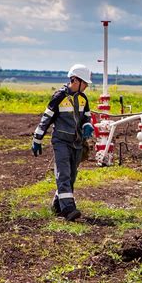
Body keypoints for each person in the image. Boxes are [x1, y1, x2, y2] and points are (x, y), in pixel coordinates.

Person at [32, 64, 95, 221]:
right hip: (61, 142)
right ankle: (68, 209)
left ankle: (57, 205)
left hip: (77, 143)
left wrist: (87, 125)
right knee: (64, 174)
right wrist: (37, 139)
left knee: (71, 176)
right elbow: (46, 119)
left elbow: (86, 117)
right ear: (75, 80)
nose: (87, 86)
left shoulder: (83, 99)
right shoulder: (59, 97)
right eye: (85, 83)